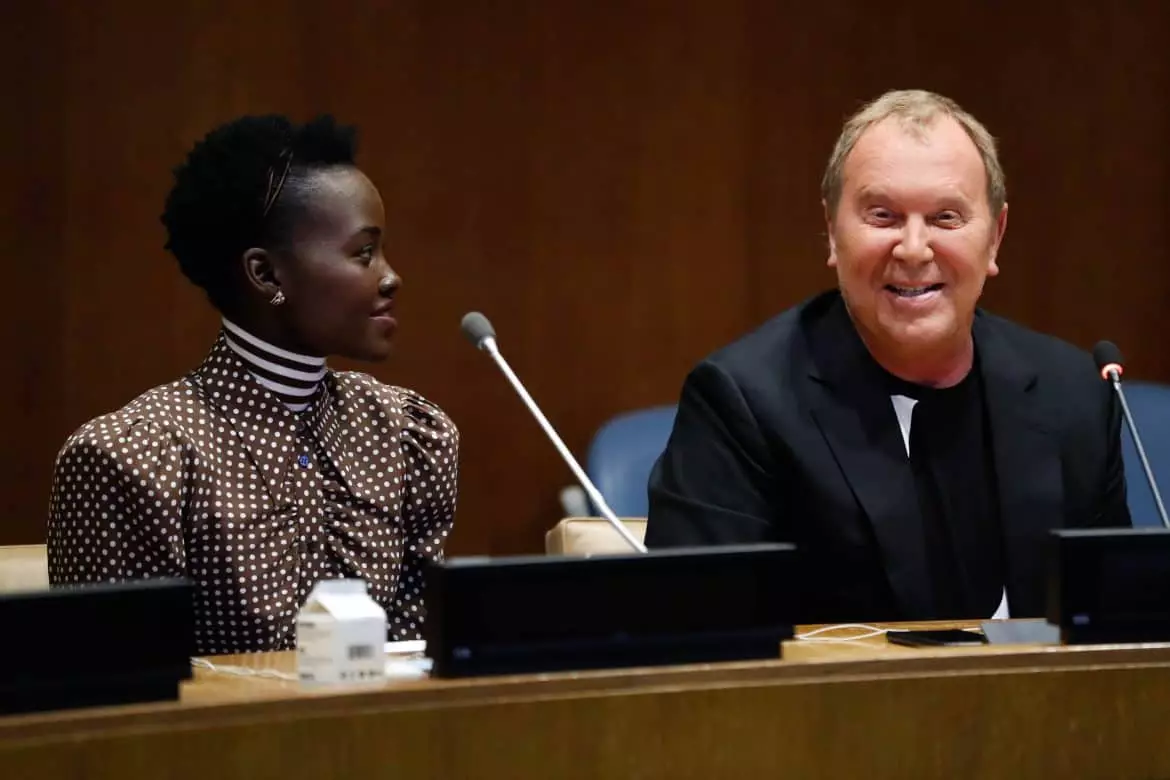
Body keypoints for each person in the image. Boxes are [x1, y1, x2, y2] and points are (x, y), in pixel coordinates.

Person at [645, 89, 1129, 623]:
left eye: (946, 217)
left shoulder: (1076, 395)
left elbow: (1119, 630)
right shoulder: (742, 405)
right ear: (832, 232)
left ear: (995, 237)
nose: (914, 249)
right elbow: (694, 642)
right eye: (883, 216)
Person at [47, 115, 459, 654]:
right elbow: (118, 700)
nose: (390, 276)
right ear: (266, 275)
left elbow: (416, 662)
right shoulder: (137, 457)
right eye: (363, 252)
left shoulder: (407, 434)